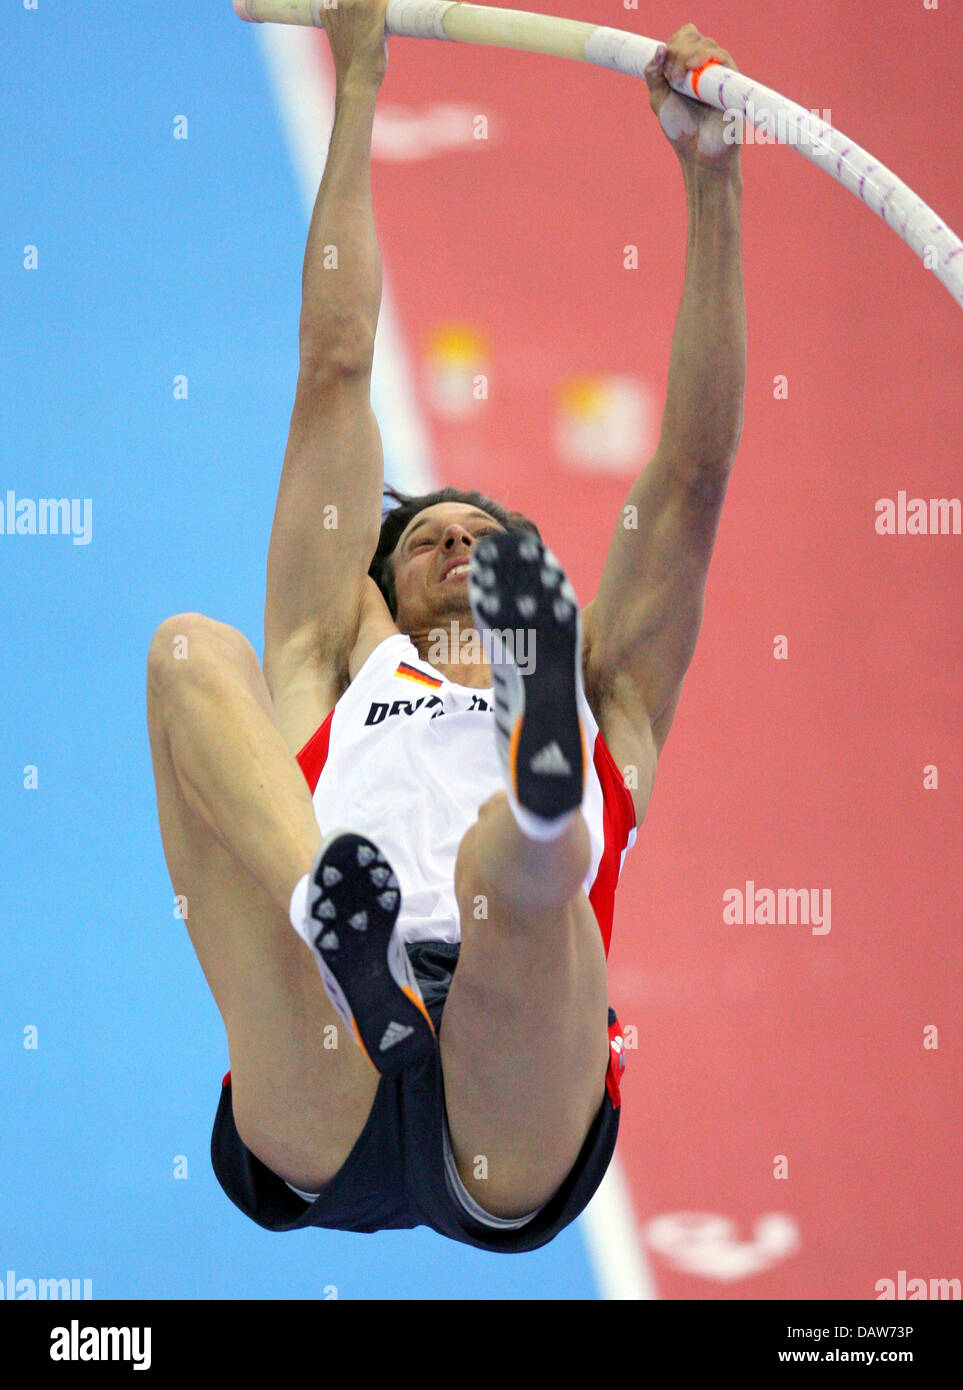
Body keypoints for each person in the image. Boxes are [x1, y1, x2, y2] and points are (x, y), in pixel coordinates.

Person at [146, 4, 745, 1253]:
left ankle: (536, 809)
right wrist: (356, 76)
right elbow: (336, 364)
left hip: (509, 1083)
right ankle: (330, 907)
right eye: (429, 537)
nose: (458, 543)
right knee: (190, 654)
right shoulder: (329, 658)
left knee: (500, 861)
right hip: (329, 1049)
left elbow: (688, 481)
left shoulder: (607, 689)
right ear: (381, 584)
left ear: (536, 597)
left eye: (484, 536)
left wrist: (711, 176)